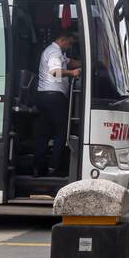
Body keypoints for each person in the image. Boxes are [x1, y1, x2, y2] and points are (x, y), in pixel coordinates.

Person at [35, 29, 81, 176]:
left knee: (43, 133)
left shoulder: (56, 52)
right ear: (63, 39)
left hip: (43, 96)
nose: (69, 47)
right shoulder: (54, 53)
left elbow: (70, 62)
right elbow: (54, 72)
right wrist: (72, 73)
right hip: (54, 97)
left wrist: (87, 62)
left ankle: (38, 168)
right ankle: (53, 168)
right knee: (61, 132)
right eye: (69, 44)